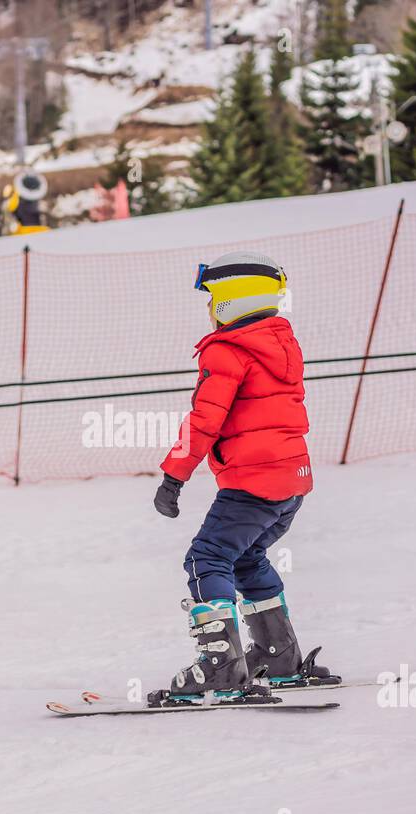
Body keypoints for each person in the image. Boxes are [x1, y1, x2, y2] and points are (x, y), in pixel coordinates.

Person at [152, 251, 335, 700]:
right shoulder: (280, 342)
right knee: (246, 558)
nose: (209, 308)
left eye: (212, 298)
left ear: (232, 300)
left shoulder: (228, 350)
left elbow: (204, 420)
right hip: (291, 482)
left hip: (253, 484)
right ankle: (279, 657)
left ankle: (220, 669)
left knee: (206, 559)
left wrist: (174, 477)